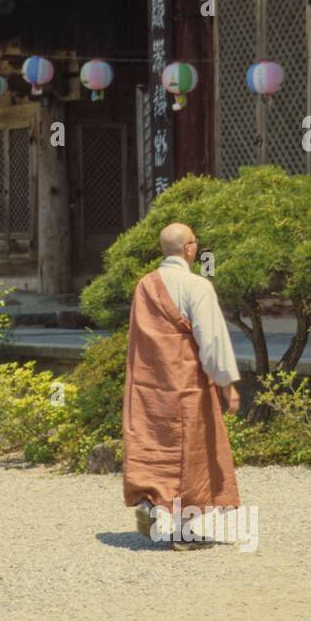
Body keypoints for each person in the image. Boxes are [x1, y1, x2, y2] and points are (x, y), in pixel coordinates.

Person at [123, 223, 241, 551]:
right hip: (187, 382)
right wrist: (225, 382)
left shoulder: (144, 286)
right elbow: (212, 338)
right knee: (192, 452)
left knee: (157, 446)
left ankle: (152, 503)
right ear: (189, 248)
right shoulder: (197, 286)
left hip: (150, 385)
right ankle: (183, 531)